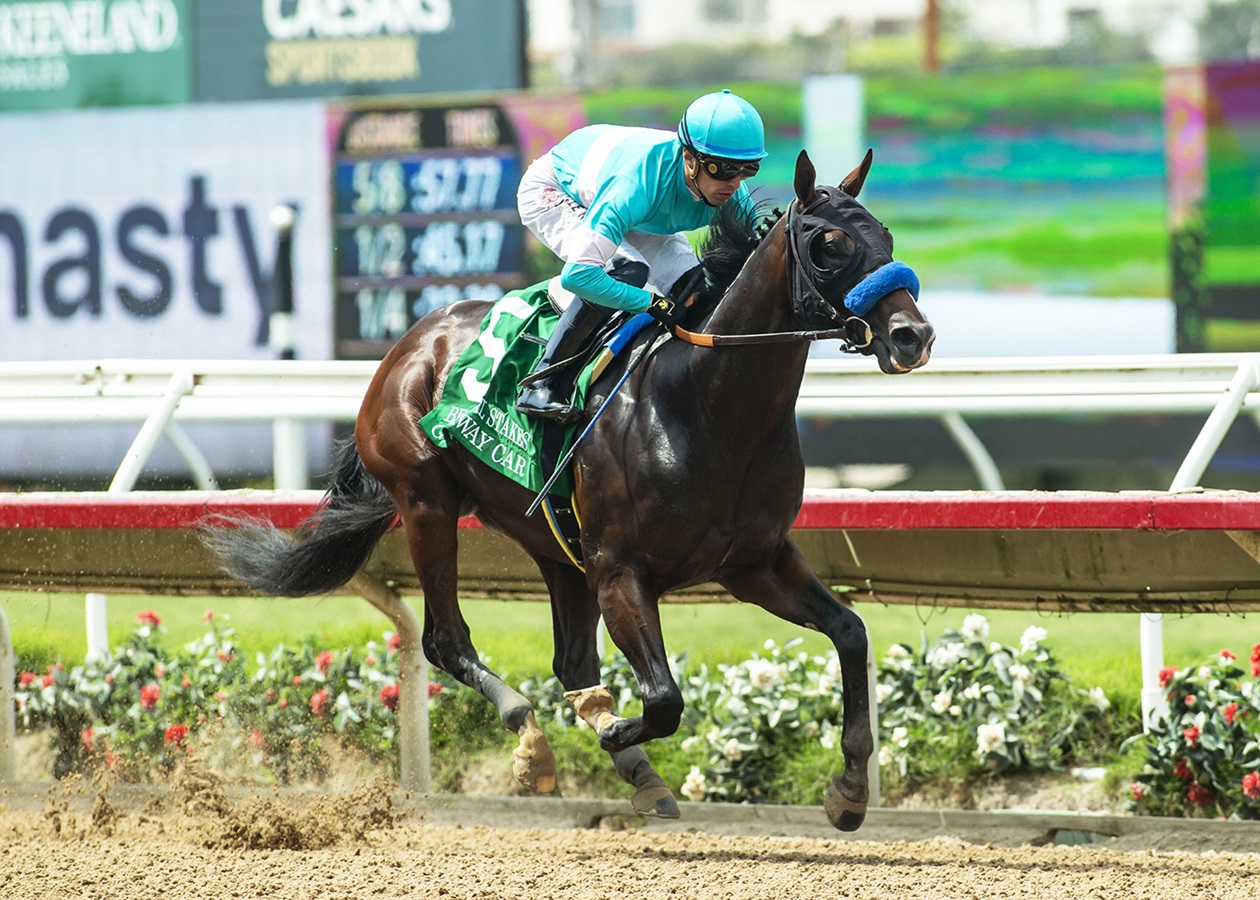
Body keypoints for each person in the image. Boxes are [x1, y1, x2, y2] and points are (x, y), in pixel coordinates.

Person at [514, 89, 766, 423]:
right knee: (626, 270)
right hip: (557, 188)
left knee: (693, 288)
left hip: (641, 212)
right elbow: (578, 276)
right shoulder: (635, 184)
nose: (734, 184)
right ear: (690, 159)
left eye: (747, 170)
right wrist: (649, 303)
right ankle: (542, 382)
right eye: (722, 170)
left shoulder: (732, 194)